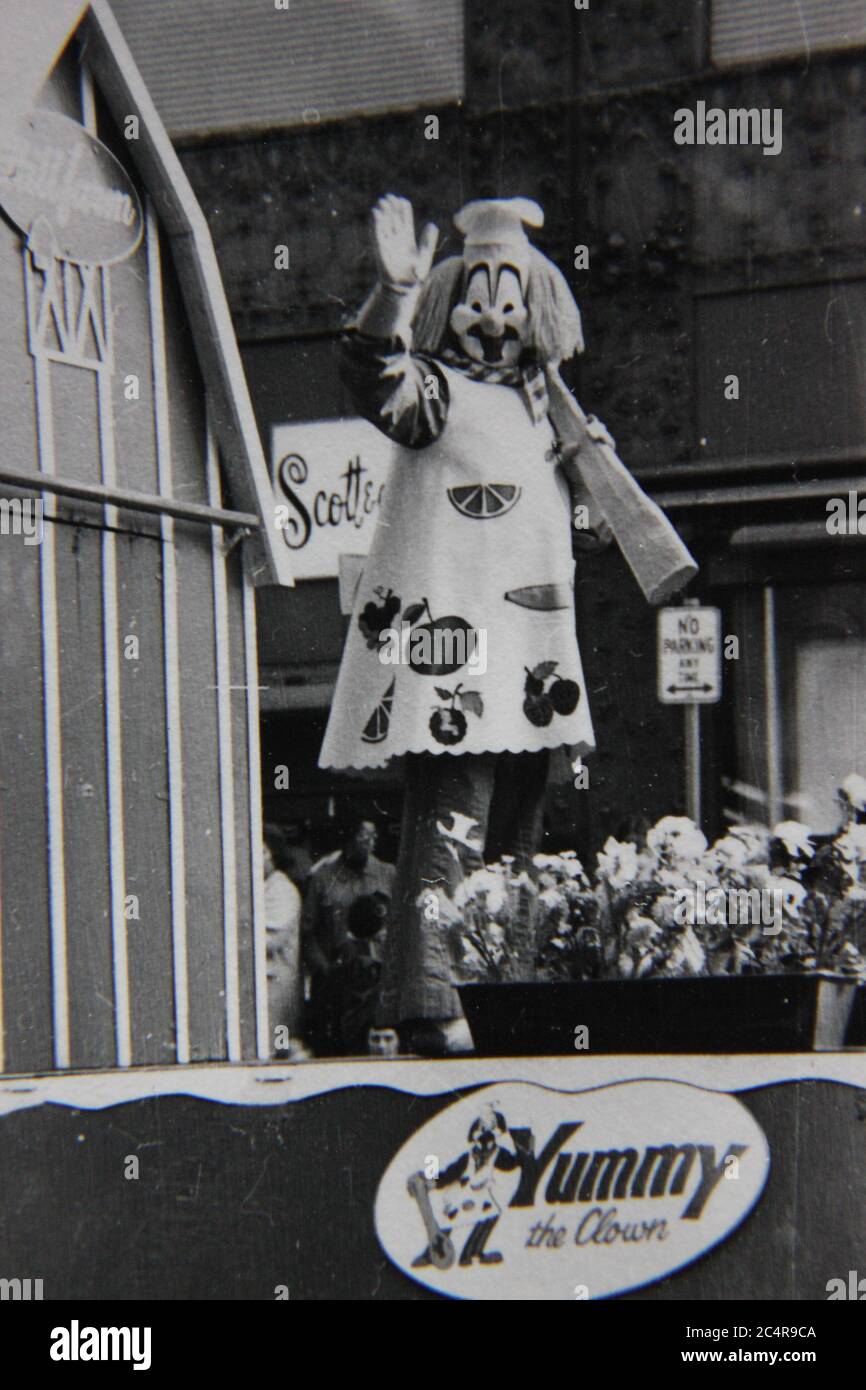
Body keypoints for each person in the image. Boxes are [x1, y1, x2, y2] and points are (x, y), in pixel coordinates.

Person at [319, 195, 599, 1056]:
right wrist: (391, 297)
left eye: (510, 304)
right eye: (478, 300)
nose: (492, 319)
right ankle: (431, 998)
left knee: (517, 833)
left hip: (531, 656)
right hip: (458, 658)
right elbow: (379, 378)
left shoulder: (544, 412)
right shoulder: (438, 392)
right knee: (452, 823)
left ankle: (495, 986)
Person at [302, 818, 395, 1045]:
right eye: (364, 837)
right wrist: (323, 971)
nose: (370, 843)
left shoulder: (387, 873)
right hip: (336, 980)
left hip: (378, 980)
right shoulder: (322, 879)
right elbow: (307, 933)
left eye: (374, 837)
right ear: (347, 840)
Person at [263, 827, 303, 1053]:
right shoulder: (257, 888)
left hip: (276, 987)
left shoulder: (282, 891)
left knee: (275, 1050)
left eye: (263, 852)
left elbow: (270, 941)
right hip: (261, 989)